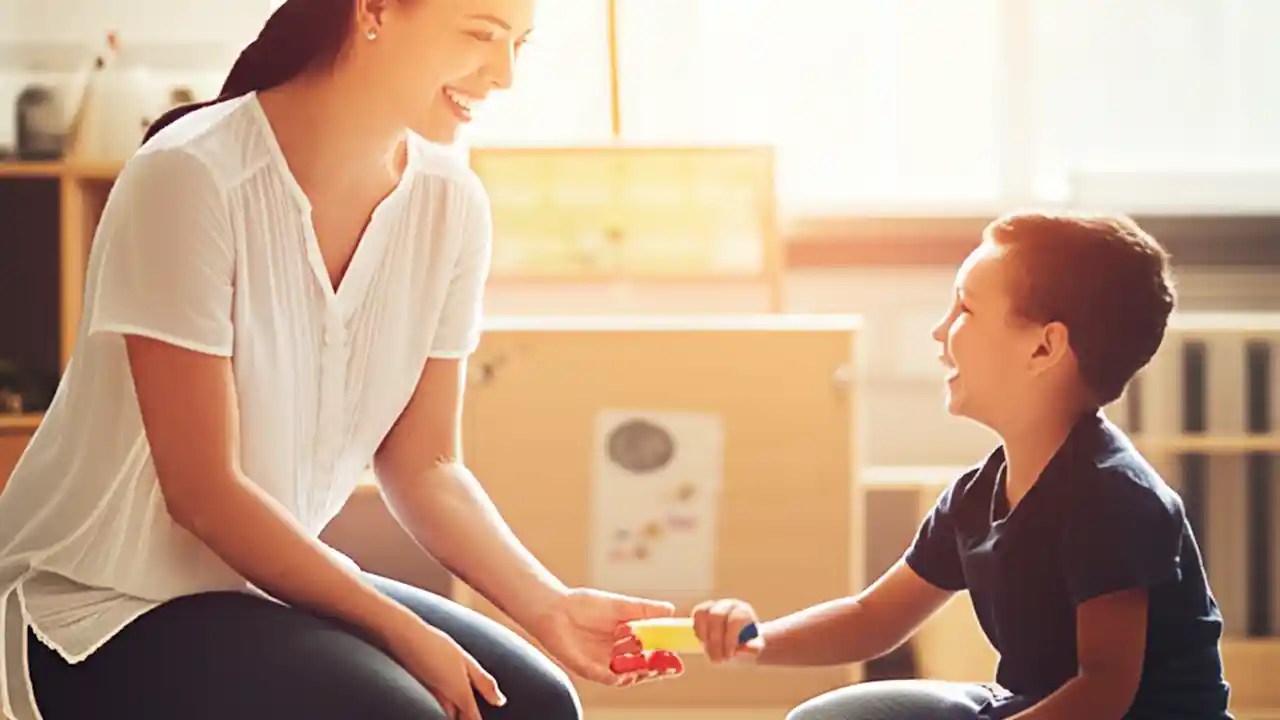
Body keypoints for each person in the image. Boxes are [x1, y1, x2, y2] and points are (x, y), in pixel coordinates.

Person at [0, 1, 680, 718]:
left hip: (262, 591)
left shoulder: (451, 204)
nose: (503, 75)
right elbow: (204, 492)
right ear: (375, 11)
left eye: (519, 45)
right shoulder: (190, 175)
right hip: (101, 605)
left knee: (537, 706)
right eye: (481, 35)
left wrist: (548, 606)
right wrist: (402, 633)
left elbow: (426, 467)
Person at [663, 212, 1234, 719]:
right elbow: (872, 618)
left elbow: (1103, 691)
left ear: (1043, 348)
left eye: (965, 308)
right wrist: (755, 640)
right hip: (1025, 704)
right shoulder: (976, 495)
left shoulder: (1114, 499)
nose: (940, 332)